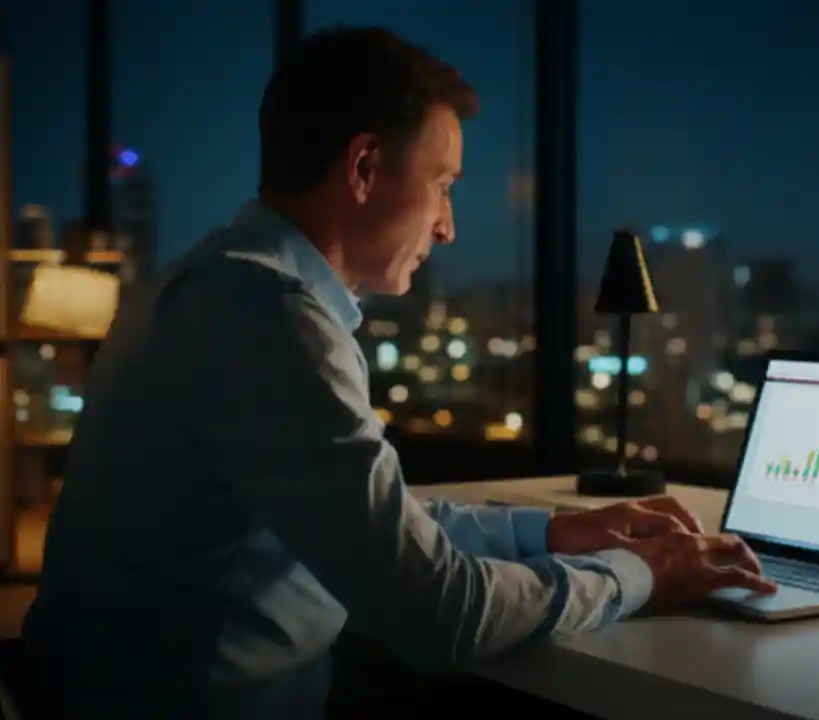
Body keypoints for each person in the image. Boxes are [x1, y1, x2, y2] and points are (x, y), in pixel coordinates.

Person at [18, 25, 776, 719]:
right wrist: (642, 574)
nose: (448, 226)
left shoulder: (213, 286)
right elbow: (440, 610)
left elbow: (373, 528)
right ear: (364, 167)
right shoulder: (270, 321)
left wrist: (556, 531)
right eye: (443, 185)